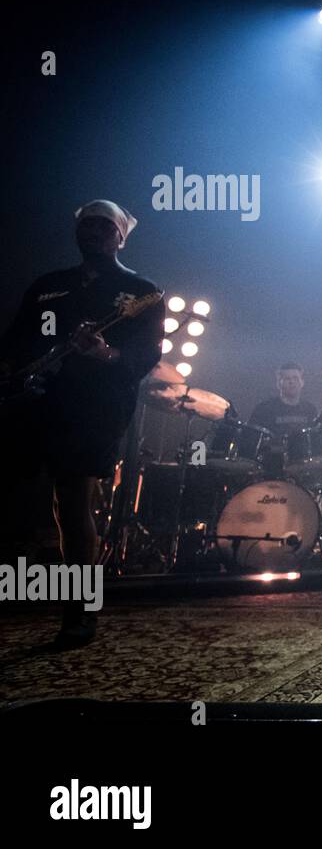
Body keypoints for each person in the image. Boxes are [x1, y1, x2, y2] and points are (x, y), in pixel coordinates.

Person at [0, 200, 164, 648]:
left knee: (73, 502)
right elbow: (17, 338)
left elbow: (147, 353)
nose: (92, 231)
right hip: (36, 401)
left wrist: (106, 354)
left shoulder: (141, 290)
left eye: (103, 225)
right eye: (85, 224)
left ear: (120, 235)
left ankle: (80, 611)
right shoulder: (48, 286)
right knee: (35, 500)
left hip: (95, 406)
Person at [248, 363, 318, 439]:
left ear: (302, 382)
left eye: (295, 378)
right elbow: (250, 438)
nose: (292, 382)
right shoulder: (263, 409)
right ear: (278, 384)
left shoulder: (310, 410)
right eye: (287, 378)